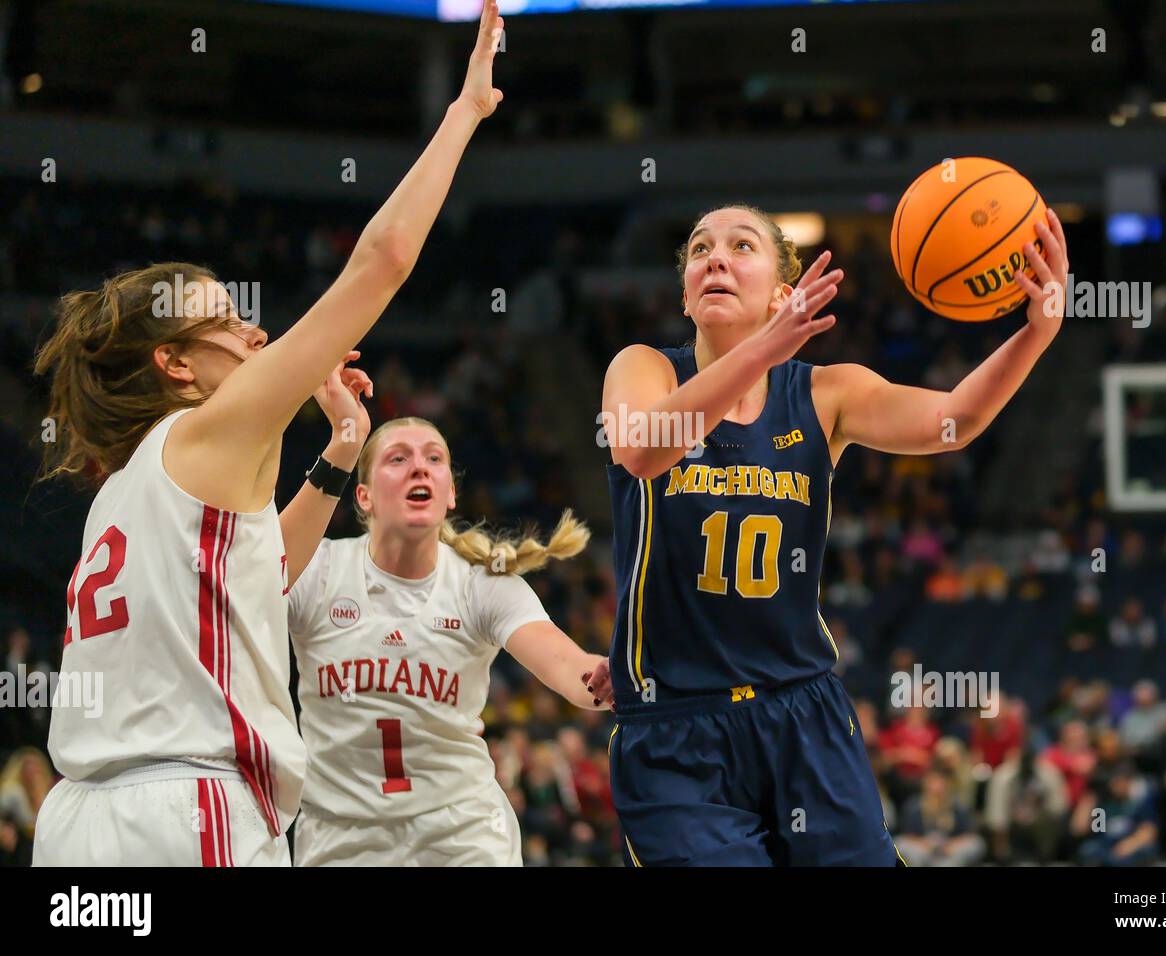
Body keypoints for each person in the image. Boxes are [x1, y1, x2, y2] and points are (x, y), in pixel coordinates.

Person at [29, 0, 507, 866]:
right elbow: (383, 260)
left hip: (77, 828)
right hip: (189, 806)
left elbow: (255, 581)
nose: (258, 334)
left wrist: (336, 458)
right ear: (176, 364)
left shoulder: (128, 489)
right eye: (230, 321)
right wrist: (464, 111)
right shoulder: (210, 431)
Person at [595, 201, 1069, 865]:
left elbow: (953, 421)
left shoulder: (825, 394)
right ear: (685, 293)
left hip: (802, 713)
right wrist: (763, 346)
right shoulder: (643, 368)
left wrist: (1037, 333)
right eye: (700, 249)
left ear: (783, 294)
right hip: (677, 733)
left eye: (740, 246)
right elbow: (644, 449)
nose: (716, 258)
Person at [286, 417, 610, 866]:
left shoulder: (482, 584)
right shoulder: (317, 570)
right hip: (340, 836)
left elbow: (569, 667)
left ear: (450, 493)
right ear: (363, 496)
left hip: (462, 832)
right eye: (398, 458)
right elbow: (240, 586)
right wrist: (341, 437)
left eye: (433, 458)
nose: (419, 467)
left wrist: (603, 678)